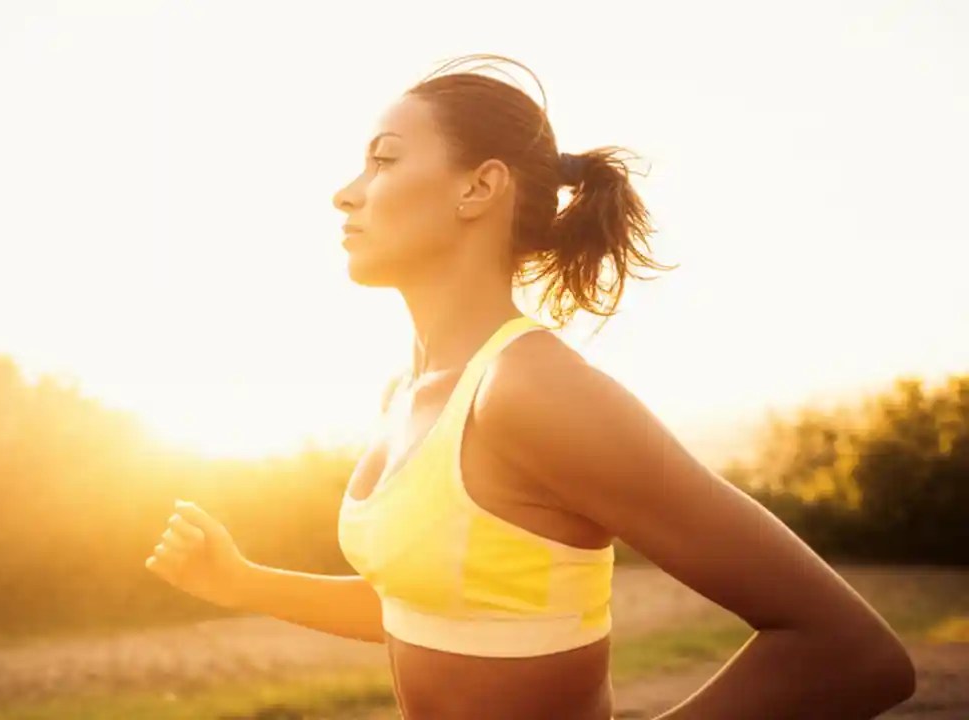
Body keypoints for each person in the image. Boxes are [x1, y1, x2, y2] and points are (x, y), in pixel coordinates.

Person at [144, 53, 916, 719]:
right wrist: (244, 582)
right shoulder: (409, 391)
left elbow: (850, 653)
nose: (346, 192)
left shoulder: (530, 390)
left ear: (478, 189)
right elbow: (431, 606)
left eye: (383, 160)